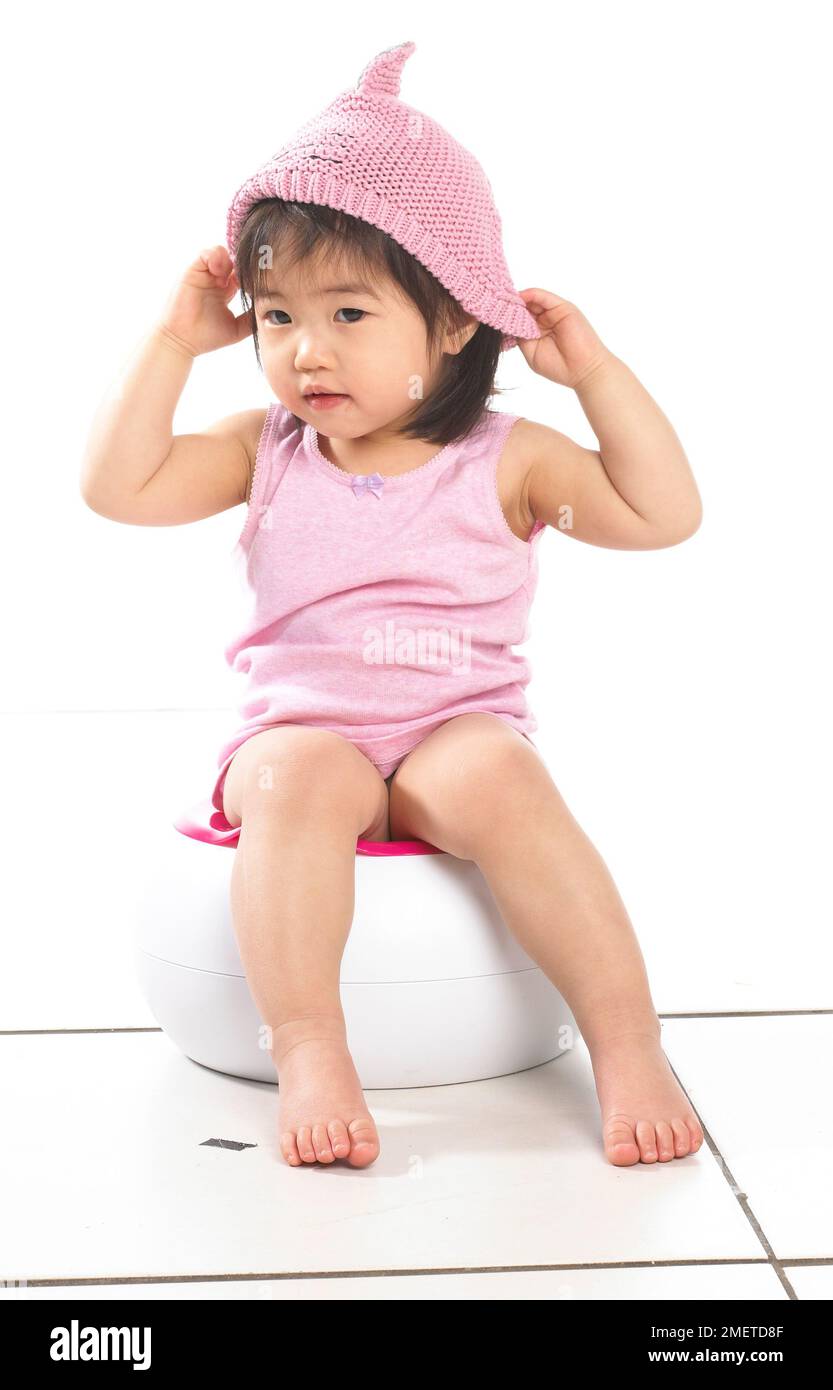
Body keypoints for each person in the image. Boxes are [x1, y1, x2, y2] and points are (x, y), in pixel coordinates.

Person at [81, 41, 704, 1171]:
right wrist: (176, 343)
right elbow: (117, 489)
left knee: (499, 776)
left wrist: (596, 372)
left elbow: (659, 514)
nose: (305, 349)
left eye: (349, 313)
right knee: (291, 776)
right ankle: (312, 1045)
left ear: (456, 320)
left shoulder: (506, 460)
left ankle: (628, 1043)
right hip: (304, 728)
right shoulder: (267, 449)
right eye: (275, 316)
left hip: (448, 732)